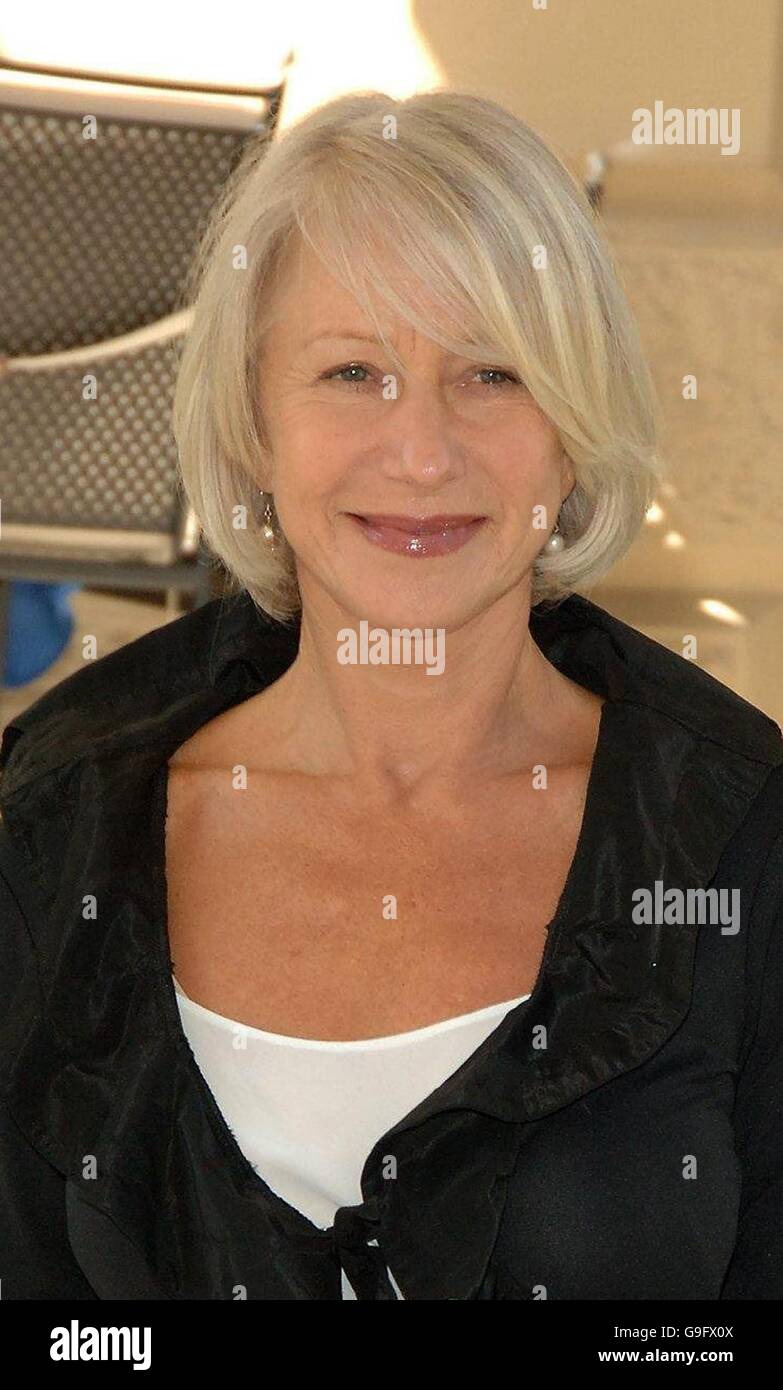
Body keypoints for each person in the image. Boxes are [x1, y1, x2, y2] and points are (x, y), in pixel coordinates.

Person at [1, 89, 781, 1301]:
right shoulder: (55, 822)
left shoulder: (741, 840)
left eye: (493, 372)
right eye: (353, 370)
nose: (421, 452)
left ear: (574, 427)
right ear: (255, 421)